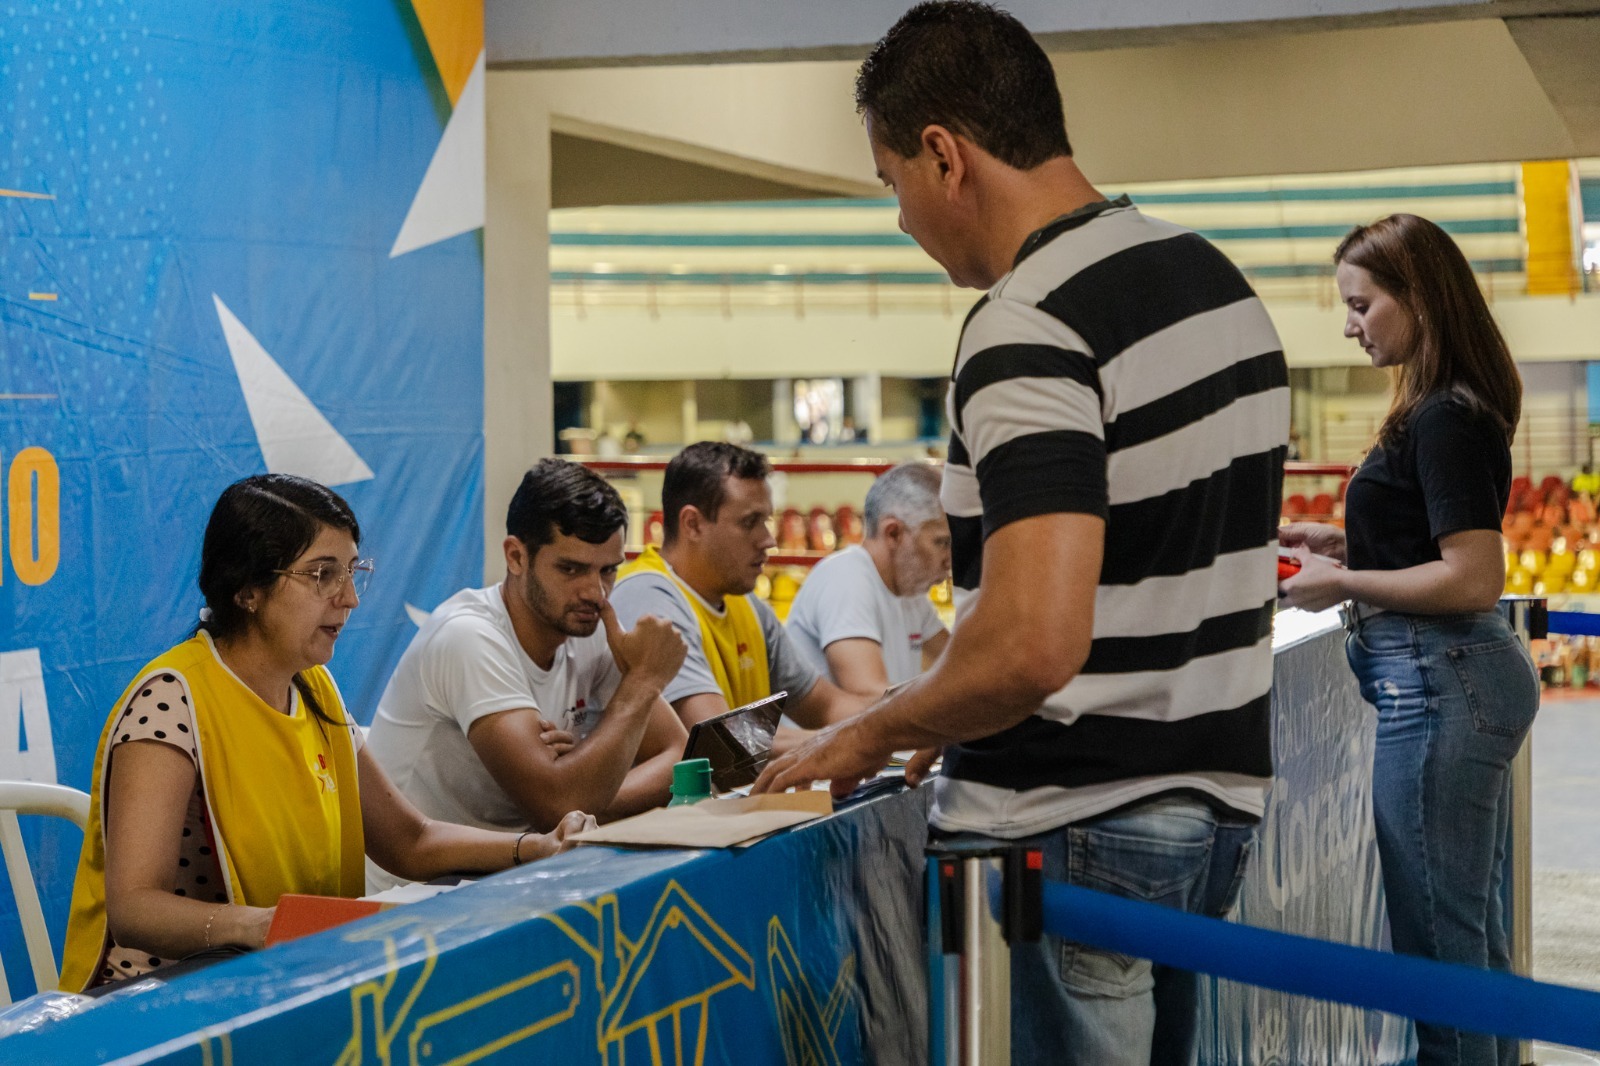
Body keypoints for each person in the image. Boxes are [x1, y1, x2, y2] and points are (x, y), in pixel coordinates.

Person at [753, 5, 1288, 1063]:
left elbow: (1034, 646)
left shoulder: (1027, 321)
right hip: (1211, 810)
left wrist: (862, 735)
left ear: (945, 156)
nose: (901, 218)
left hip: (1070, 826)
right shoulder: (1217, 283)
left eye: (891, 180)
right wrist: (934, 710)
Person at [60, 475, 592, 992]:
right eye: (322, 575)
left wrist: (535, 848)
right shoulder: (172, 700)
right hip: (167, 995)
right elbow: (134, 908)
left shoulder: (314, 688)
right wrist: (254, 925)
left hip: (284, 972)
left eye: (353, 572)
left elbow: (410, 841)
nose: (350, 598)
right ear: (247, 589)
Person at [1279, 214, 1536, 1066]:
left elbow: (1470, 576)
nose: (1348, 324)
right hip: (1451, 679)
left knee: (1440, 949)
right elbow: (1433, 545)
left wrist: (1343, 584)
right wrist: (1344, 543)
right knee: (1470, 938)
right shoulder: (1442, 410)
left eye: (1360, 304)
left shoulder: (1444, 419)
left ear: (1416, 299)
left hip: (1441, 683)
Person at [365, 460, 687, 890]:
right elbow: (559, 804)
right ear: (516, 556)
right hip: (419, 894)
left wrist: (586, 781)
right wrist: (643, 683)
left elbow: (677, 754)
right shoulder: (468, 636)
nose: (596, 592)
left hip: (518, 876)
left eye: (608, 569)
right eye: (571, 569)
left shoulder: (584, 623)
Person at [608, 442, 871, 730]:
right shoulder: (648, 599)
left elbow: (827, 706)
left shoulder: (745, 603)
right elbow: (723, 740)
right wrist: (851, 741)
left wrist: (905, 721)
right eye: (750, 523)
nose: (768, 539)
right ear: (692, 524)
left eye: (767, 521)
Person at [785, 462, 951, 696]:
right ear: (893, 533)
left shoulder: (910, 594)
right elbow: (869, 695)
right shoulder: (846, 579)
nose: (949, 560)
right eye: (941, 543)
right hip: (828, 733)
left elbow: (962, 663)